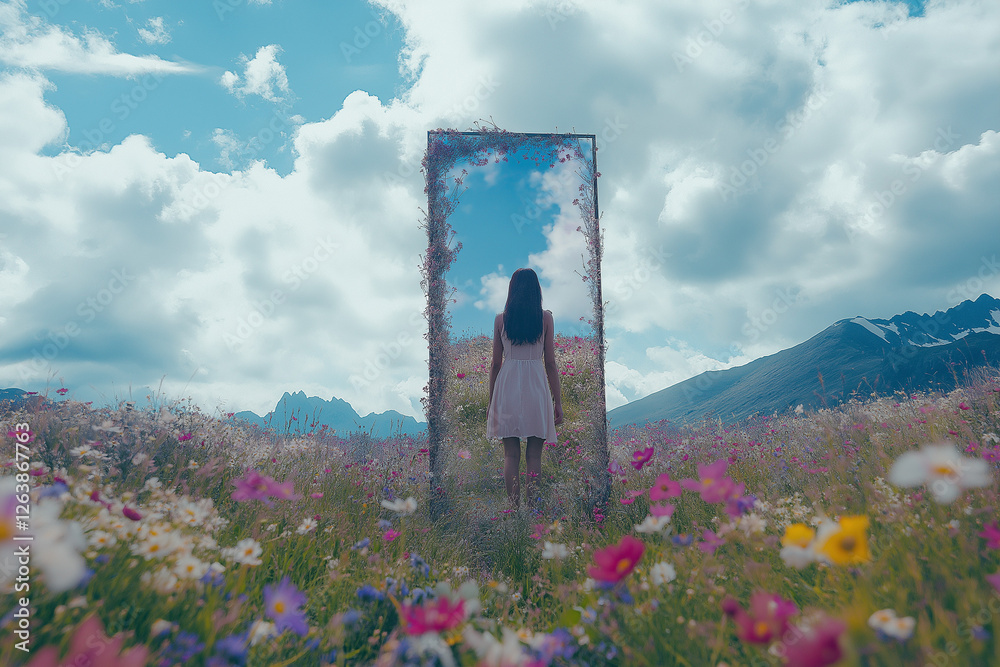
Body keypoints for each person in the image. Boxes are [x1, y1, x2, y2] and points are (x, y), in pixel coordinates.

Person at [486, 268, 563, 510]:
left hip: (507, 384)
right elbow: (550, 363)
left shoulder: (501, 320)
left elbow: (495, 364)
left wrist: (491, 401)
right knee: (534, 455)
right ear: (536, 290)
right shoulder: (546, 318)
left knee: (510, 454)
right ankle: (532, 510)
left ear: (512, 289)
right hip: (536, 384)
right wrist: (558, 401)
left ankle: (513, 509)